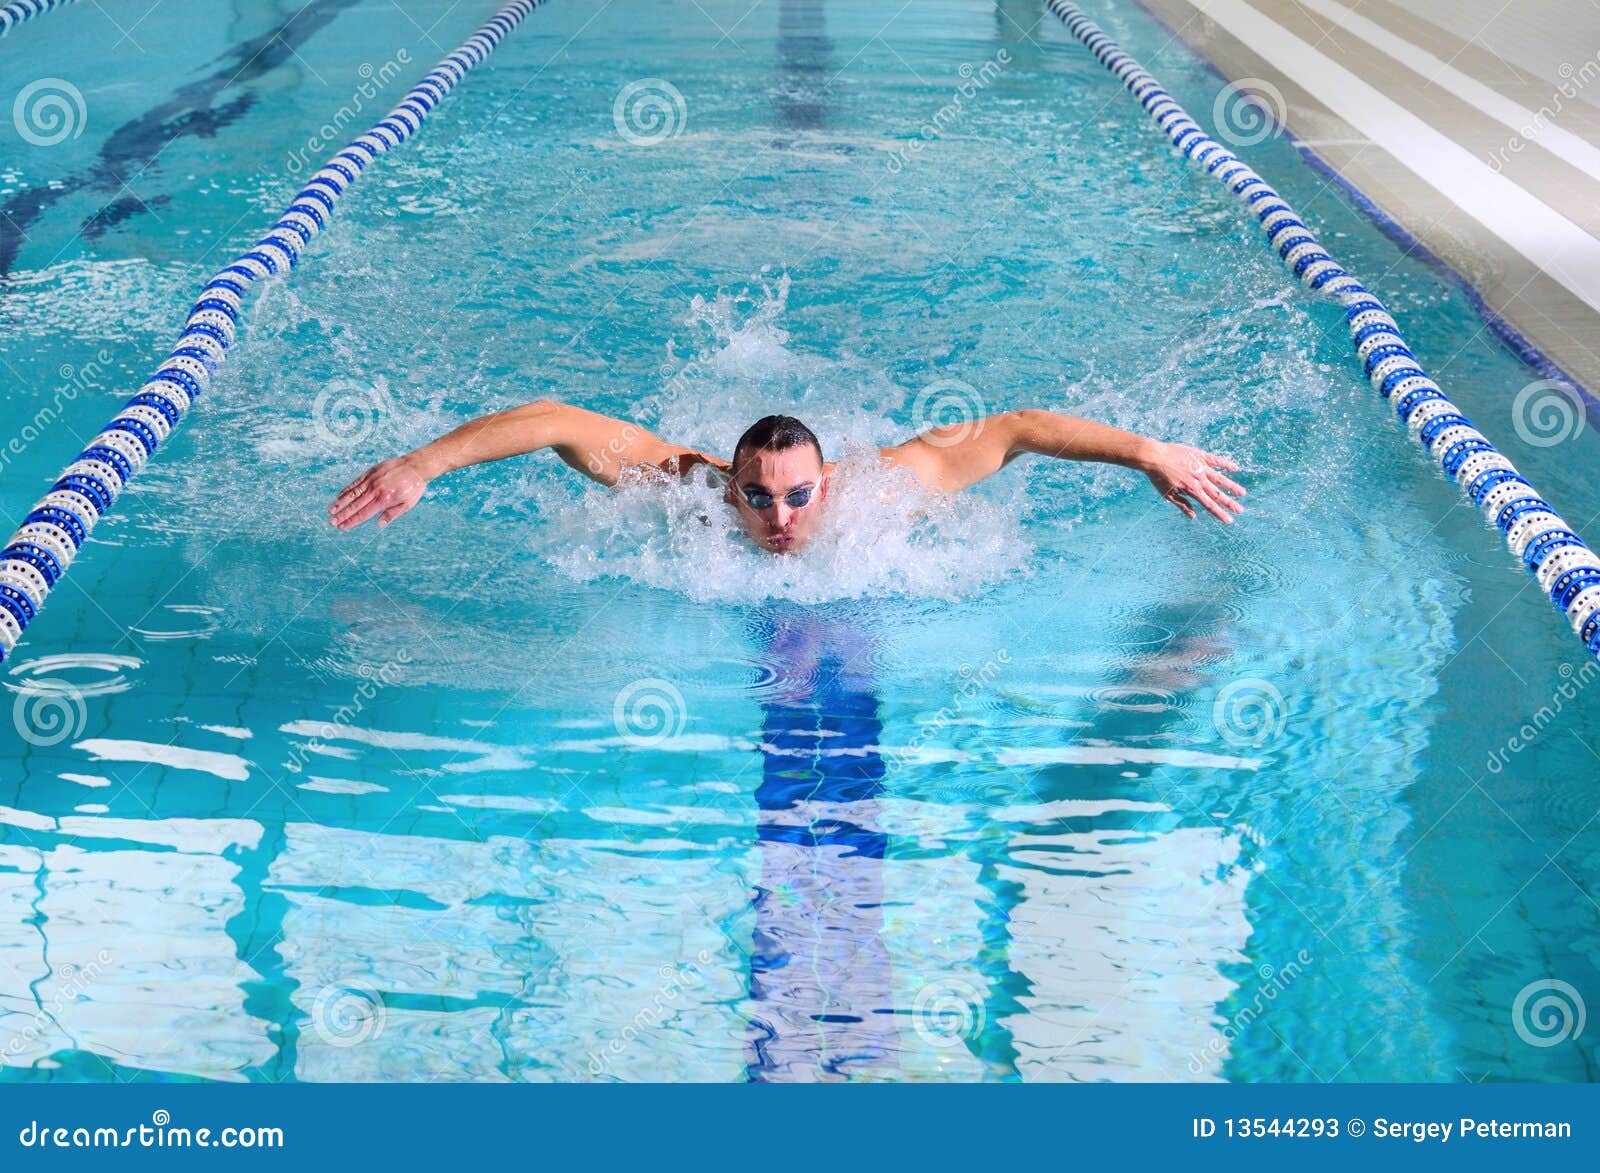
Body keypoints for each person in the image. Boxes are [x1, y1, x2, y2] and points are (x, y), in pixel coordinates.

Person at [327, 399, 1245, 553]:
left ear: (829, 486)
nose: (779, 518)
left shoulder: (882, 489)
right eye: (758, 496)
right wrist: (422, 463)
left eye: (800, 496)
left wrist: (1148, 453)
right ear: (729, 486)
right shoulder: (689, 490)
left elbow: (1014, 430)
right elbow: (559, 423)